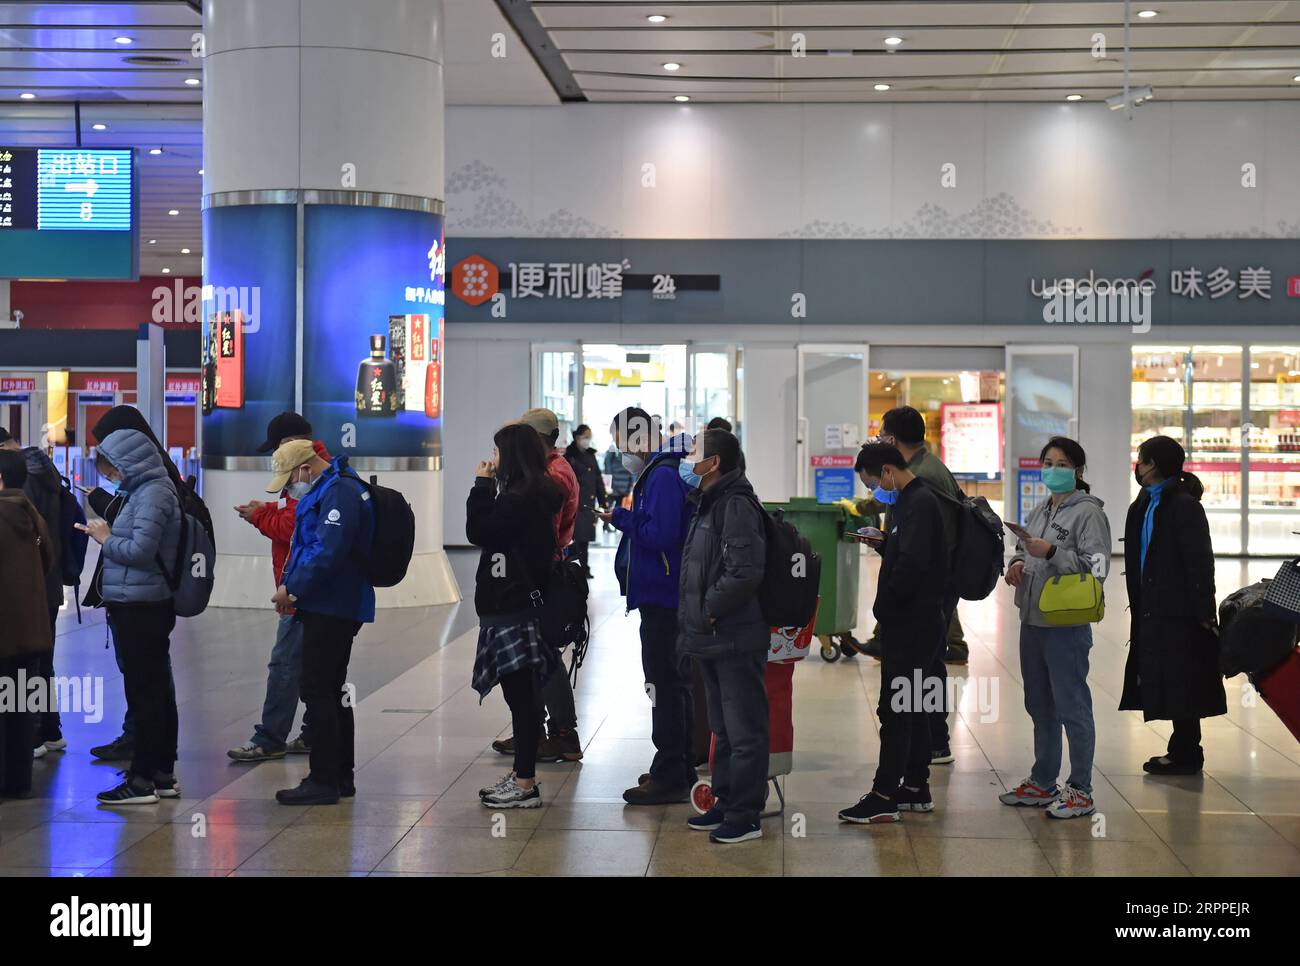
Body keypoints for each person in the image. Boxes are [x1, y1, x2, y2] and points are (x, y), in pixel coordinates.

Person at [999, 436, 1112, 819]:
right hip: (1032, 619)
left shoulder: (1088, 513)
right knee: (1039, 704)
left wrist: (1051, 553)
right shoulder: (1041, 509)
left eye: (1061, 463)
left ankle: (1081, 788)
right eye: (1047, 462)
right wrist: (1017, 563)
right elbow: (1024, 548)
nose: (1053, 469)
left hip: (1066, 624)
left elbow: (1098, 567)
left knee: (1071, 705)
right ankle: (1043, 780)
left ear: (1078, 471)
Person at [839, 442, 948, 824]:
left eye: (872, 483)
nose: (874, 492)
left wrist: (885, 609)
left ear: (887, 470)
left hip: (913, 624)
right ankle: (916, 787)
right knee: (911, 705)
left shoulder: (919, 503)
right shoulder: (907, 501)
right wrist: (885, 543)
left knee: (895, 710)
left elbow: (914, 567)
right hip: (914, 621)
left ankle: (884, 793)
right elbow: (908, 553)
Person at [79, 428, 183, 805]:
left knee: (146, 693)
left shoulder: (154, 493)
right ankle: (161, 774)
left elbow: (140, 550)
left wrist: (105, 537)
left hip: (143, 605)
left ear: (130, 461)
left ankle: (142, 780)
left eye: (113, 467)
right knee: (152, 691)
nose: (111, 475)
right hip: (137, 600)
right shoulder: (142, 492)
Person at [598, 407, 696, 805]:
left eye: (621, 443)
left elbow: (661, 534)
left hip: (664, 597)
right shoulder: (665, 471)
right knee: (672, 683)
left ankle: (670, 769)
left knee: (664, 685)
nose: (621, 452)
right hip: (665, 594)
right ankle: (677, 764)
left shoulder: (663, 475)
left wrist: (621, 518)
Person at [270, 440, 375, 805]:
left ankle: (325, 779)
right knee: (332, 689)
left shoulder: (339, 492)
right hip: (331, 602)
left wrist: (292, 589)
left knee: (317, 688)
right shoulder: (335, 487)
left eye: (291, 479)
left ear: (304, 469)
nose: (290, 487)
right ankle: (340, 775)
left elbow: (327, 551)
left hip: (333, 605)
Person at [676, 429, 769, 843]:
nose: (688, 458)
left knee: (745, 729)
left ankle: (746, 814)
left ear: (713, 463)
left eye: (695, 452)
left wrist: (709, 609)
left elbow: (745, 572)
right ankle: (726, 802)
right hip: (711, 634)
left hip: (733, 634)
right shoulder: (708, 502)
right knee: (724, 729)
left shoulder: (735, 505)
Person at [860, 406, 965, 766]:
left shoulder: (924, 478)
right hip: (931, 583)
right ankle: (932, 741)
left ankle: (935, 740)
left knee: (928, 665)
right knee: (929, 663)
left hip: (930, 588)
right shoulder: (922, 468)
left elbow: (924, 547)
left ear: (890, 441)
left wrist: (888, 605)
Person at [470, 423, 565, 809]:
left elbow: (478, 530)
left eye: (497, 453)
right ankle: (523, 773)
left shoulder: (519, 499)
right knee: (523, 696)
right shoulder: (533, 493)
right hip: (521, 606)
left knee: (521, 698)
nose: (492, 460)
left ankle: (525, 783)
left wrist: (480, 486)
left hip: (512, 608)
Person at [1120, 435, 1226, 774]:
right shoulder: (1144, 503)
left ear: (1152, 465)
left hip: (1179, 610)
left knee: (1183, 678)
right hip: (1152, 607)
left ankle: (1186, 752)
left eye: (1141, 458)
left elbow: (1200, 560)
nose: (1137, 465)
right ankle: (1183, 749)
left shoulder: (1183, 504)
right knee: (1169, 676)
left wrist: (1204, 611)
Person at [227, 412, 326, 762]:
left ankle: (270, 738)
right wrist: (266, 508)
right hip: (309, 588)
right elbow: (290, 513)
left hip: (302, 589)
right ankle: (315, 733)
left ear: (290, 444)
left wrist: (258, 517)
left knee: (284, 664)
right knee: (313, 665)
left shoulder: (308, 476)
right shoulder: (313, 471)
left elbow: (294, 528)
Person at [490, 408, 583, 763]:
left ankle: (563, 732)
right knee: (535, 654)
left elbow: (539, 532)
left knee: (543, 654)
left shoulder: (552, 475)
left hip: (542, 574)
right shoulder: (547, 471)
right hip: (539, 571)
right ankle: (533, 728)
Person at [0, 429, 66, 756]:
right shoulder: (46, 473)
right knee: (41, 663)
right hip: (44, 588)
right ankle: (49, 730)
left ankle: (36, 735)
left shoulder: (15, 492)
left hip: (20, 594)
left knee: (22, 672)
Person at [563, 424, 608, 578]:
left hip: (588, 503)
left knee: (585, 539)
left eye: (589, 437)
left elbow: (598, 480)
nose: (587, 440)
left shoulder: (591, 456)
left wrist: (603, 502)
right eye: (584, 437)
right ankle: (572, 566)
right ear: (577, 437)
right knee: (574, 538)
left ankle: (583, 568)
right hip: (574, 503)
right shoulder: (569, 456)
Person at [603, 442, 633, 527]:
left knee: (612, 505)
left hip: (617, 485)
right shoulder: (627, 452)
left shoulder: (615, 451)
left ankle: (608, 524)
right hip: (621, 486)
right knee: (615, 506)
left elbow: (607, 466)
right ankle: (610, 524)